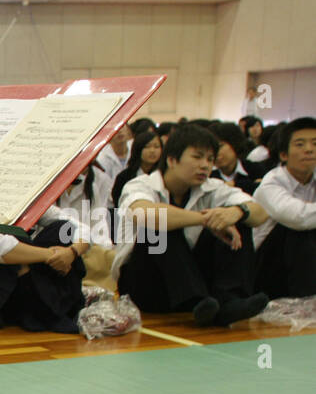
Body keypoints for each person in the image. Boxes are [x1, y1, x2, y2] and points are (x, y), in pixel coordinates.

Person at [116, 124, 271, 326]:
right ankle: (196, 300)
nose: (205, 165)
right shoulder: (140, 184)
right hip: (147, 283)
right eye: (197, 157)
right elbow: (145, 213)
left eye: (209, 159)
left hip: (201, 287)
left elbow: (261, 214)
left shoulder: (212, 187)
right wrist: (206, 219)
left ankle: (229, 301)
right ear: (172, 159)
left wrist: (236, 212)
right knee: (158, 226)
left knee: (238, 218)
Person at [252, 117, 316, 298]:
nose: (309, 149)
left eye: (315, 143)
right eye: (300, 144)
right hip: (267, 264)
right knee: (299, 231)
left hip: (303, 262)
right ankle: (307, 301)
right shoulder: (271, 184)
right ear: (283, 155)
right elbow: (298, 218)